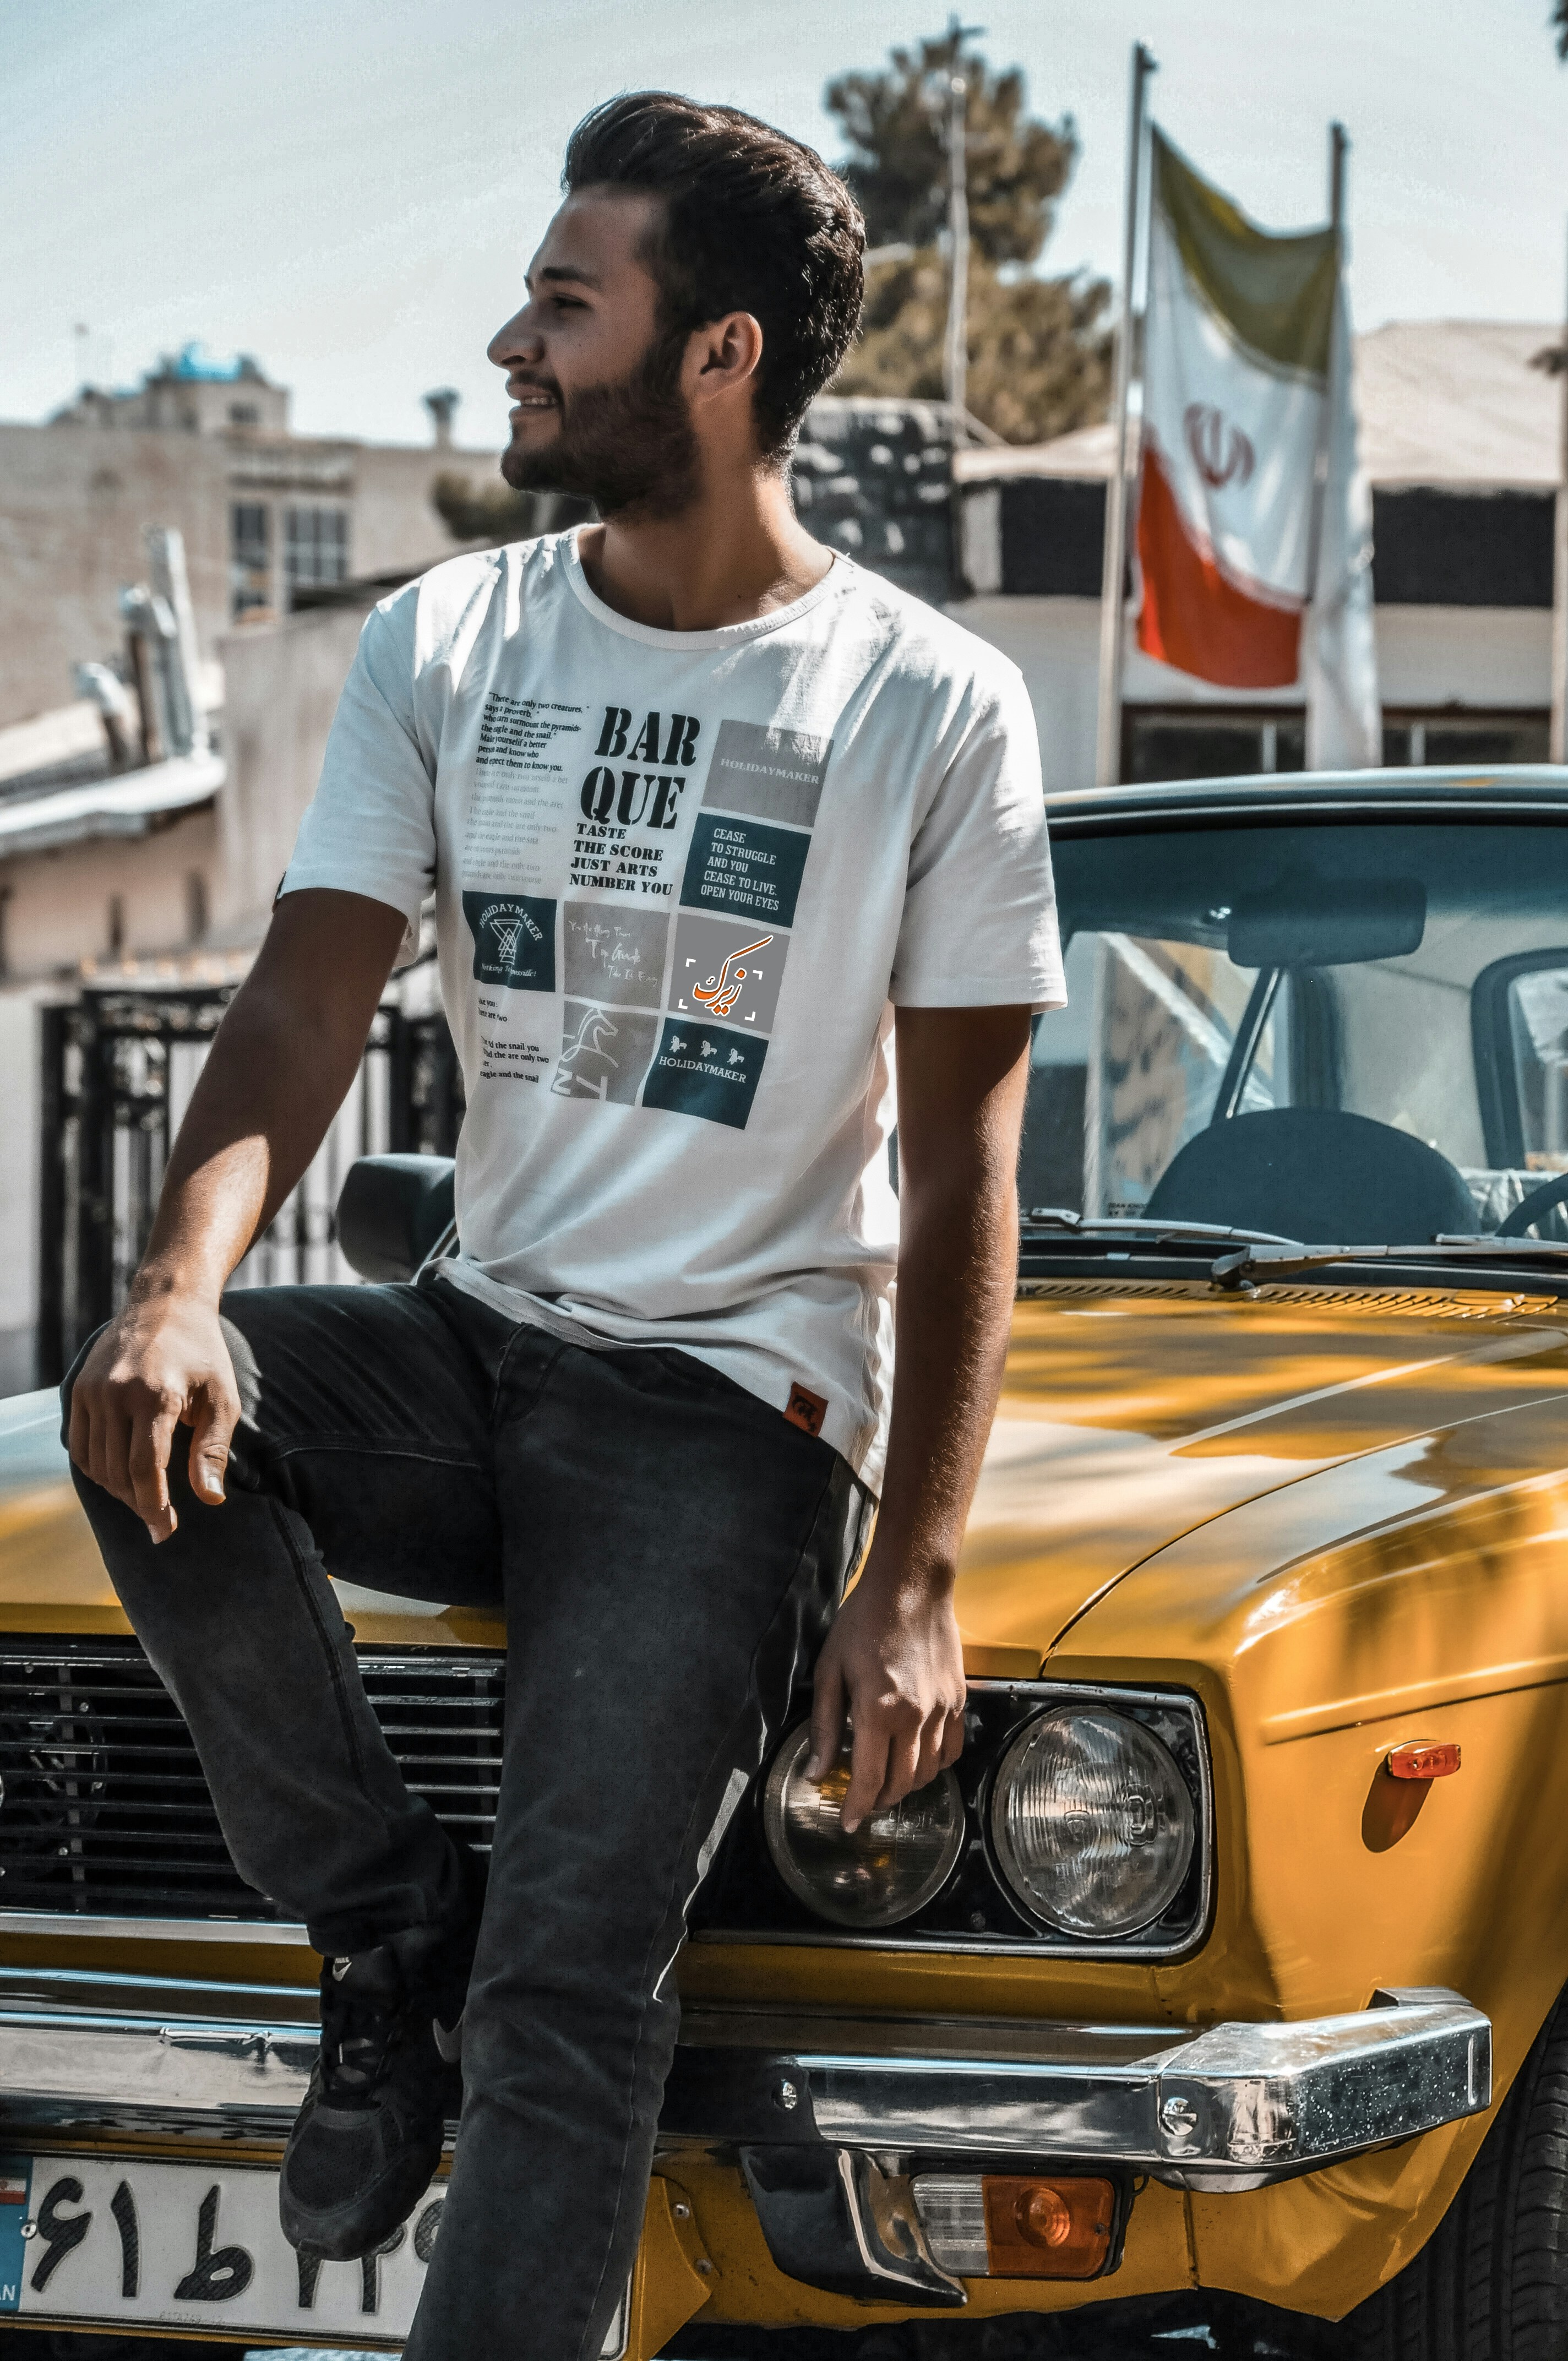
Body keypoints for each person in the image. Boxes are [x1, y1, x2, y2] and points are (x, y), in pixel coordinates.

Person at [64, 90, 1063, 2361]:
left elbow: (966, 1165)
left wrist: (911, 1572)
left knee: (576, 1984)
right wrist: (173, 1284)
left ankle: (471, 1975)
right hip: (474, 1340)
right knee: (120, 1416)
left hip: (724, 1407)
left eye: (562, 301)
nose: (511, 344)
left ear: (715, 356)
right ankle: (381, 1913)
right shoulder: (455, 640)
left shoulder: (931, 708)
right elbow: (309, 997)